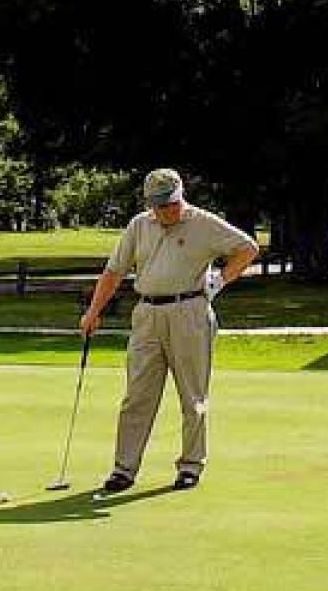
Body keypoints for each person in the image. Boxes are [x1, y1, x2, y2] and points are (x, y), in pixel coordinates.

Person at [82, 168, 259, 493]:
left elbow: (247, 248)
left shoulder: (203, 222)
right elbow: (114, 270)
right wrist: (94, 311)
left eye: (171, 203)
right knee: (137, 395)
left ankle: (190, 466)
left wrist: (219, 280)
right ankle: (124, 469)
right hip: (147, 313)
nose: (167, 211)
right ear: (150, 204)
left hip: (189, 311)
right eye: (160, 206)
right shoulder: (139, 225)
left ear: (181, 196)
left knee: (192, 395)